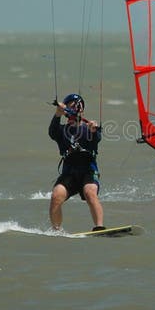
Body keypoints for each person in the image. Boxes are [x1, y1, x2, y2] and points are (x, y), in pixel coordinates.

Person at [48, 93, 104, 231]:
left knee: (90, 192)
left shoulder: (90, 128)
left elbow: (97, 138)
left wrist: (94, 130)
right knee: (56, 196)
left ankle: (99, 227)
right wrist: (57, 114)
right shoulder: (61, 130)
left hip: (88, 171)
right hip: (69, 173)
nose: (76, 108)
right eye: (71, 106)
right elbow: (52, 132)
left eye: (78, 106)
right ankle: (57, 231)